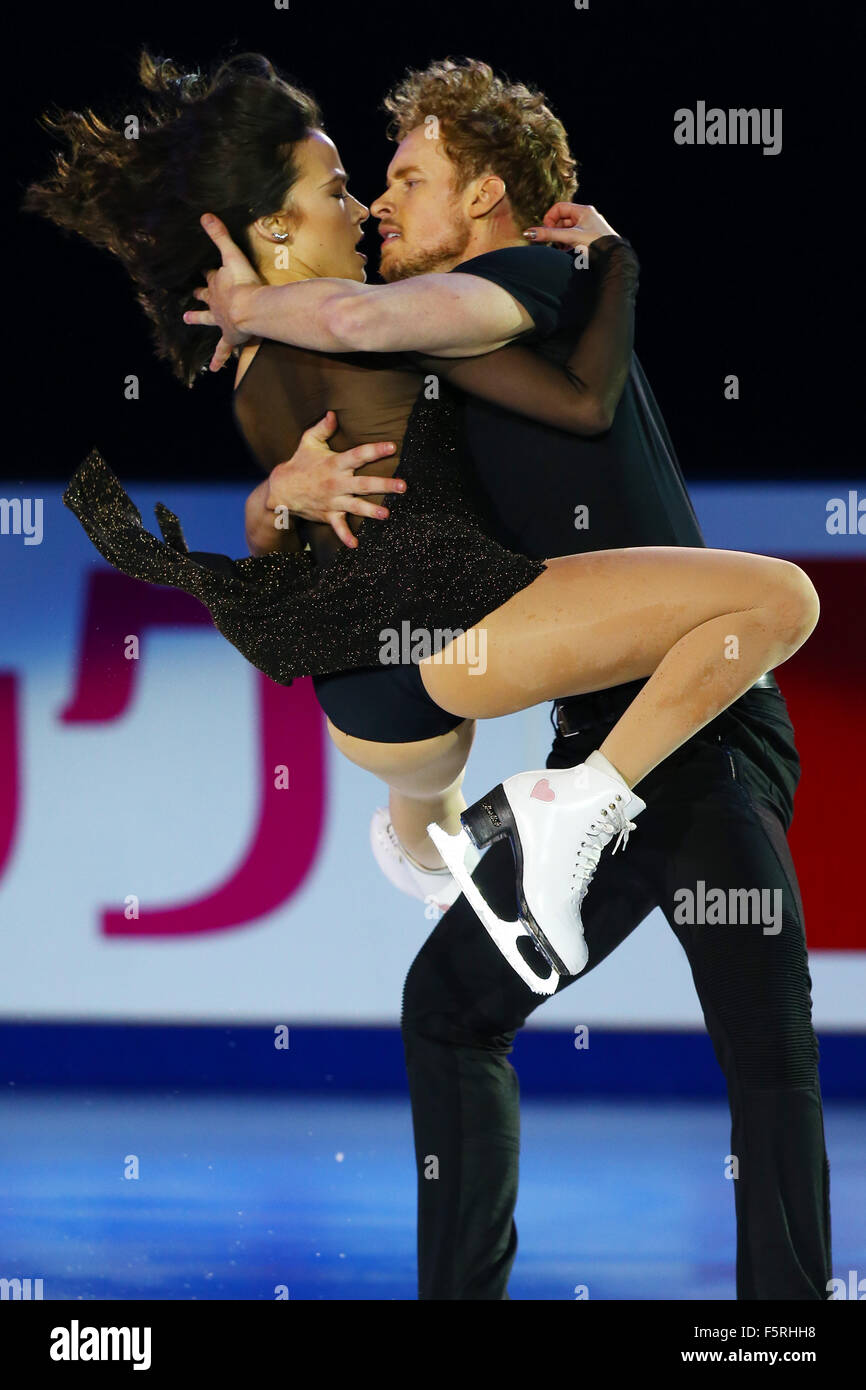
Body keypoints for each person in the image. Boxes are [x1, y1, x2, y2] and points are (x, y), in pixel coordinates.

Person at [197, 57, 832, 1296]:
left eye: (406, 178)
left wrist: (246, 305)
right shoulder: (476, 329)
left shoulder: (526, 277)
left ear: (484, 193)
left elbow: (371, 324)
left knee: (764, 1046)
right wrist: (278, 495)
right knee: (449, 1012)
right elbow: (367, 428)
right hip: (594, 728)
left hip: (694, 724)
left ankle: (781, 1328)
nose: (381, 202)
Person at [26, 49, 819, 994]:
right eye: (342, 187)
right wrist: (614, 266)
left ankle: (433, 860)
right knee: (778, 600)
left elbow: (276, 536)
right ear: (278, 220)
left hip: (359, 702)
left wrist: (275, 492)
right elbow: (574, 400)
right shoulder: (375, 318)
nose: (364, 207)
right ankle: (575, 806)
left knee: (434, 831)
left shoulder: (244, 362)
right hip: (450, 629)